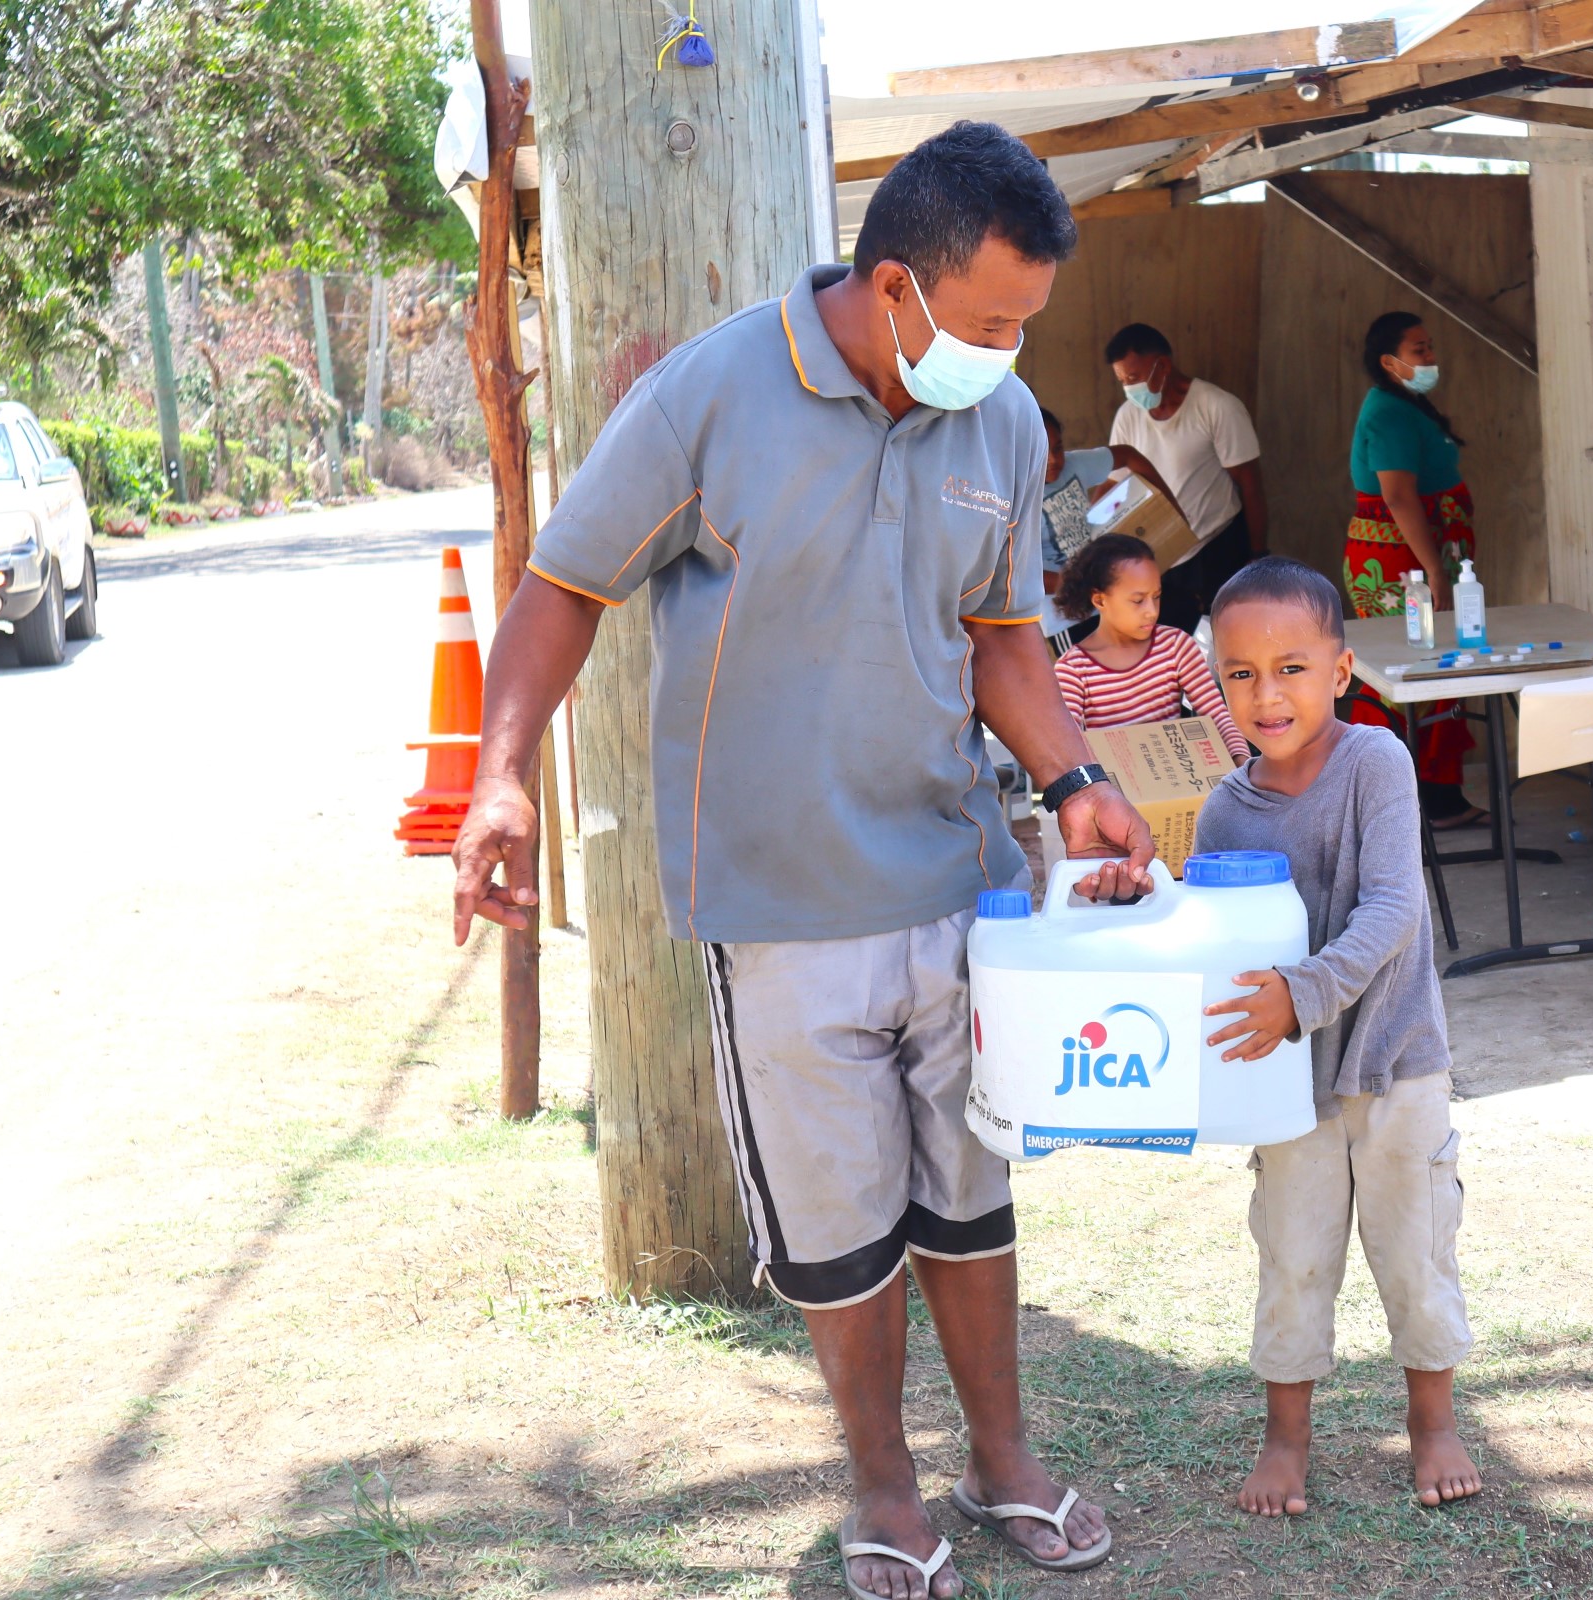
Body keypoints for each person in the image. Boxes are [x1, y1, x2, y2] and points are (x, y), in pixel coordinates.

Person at [450, 121, 1145, 1600]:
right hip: (778, 907)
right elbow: (566, 584)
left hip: (960, 880)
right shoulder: (713, 392)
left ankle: (1003, 1459)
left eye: (1029, 327)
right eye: (990, 324)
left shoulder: (1003, 426)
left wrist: (1077, 779)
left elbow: (1004, 635)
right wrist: (501, 775)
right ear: (895, 285)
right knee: (840, 1236)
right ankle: (886, 1489)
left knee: (971, 1192)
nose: (1010, 356)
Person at [1185, 556, 1479, 1517]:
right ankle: (1286, 1441)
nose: (1265, 694)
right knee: (1293, 1255)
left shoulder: (1376, 763)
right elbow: (1208, 937)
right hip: (1286, 1086)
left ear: (1341, 669)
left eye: (1291, 667)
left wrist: (1301, 993)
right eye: (1239, 673)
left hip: (1396, 1067)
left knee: (1415, 1247)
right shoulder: (1226, 807)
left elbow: (1394, 906)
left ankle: (1433, 1425)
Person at [1343, 311, 1482, 828]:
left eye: (1430, 348)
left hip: (1421, 562)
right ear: (1389, 362)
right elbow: (1399, 497)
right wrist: (1436, 573)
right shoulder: (1389, 414)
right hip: (1401, 567)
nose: (1431, 359)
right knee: (1400, 675)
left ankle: (1438, 796)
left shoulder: (1407, 404)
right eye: (1419, 350)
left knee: (1440, 669)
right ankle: (1374, 803)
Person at [1104, 322, 1266, 632]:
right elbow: (1118, 487)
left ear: (1162, 365)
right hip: (1158, 555)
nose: (1129, 388)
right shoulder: (1128, 416)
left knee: (1217, 640)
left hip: (1215, 549)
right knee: (1165, 647)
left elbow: (1250, 485)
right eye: (1123, 380)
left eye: (1134, 378)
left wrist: (1257, 554)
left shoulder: (1217, 407)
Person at [1050, 533, 1250, 766]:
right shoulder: (1074, 669)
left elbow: (1217, 715)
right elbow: (1070, 748)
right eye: (1138, 600)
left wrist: (1241, 763)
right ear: (1100, 600)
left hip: (1182, 783)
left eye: (1156, 597)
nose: (1151, 611)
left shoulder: (1175, 646)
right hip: (1115, 796)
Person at [1037, 407, 1177, 594]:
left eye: (1058, 448)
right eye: (1042, 452)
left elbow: (1128, 455)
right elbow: (1012, 574)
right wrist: (1081, 586)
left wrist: (1171, 505)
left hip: (1104, 598)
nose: (1053, 460)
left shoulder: (1073, 465)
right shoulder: (1014, 500)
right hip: (1062, 611)